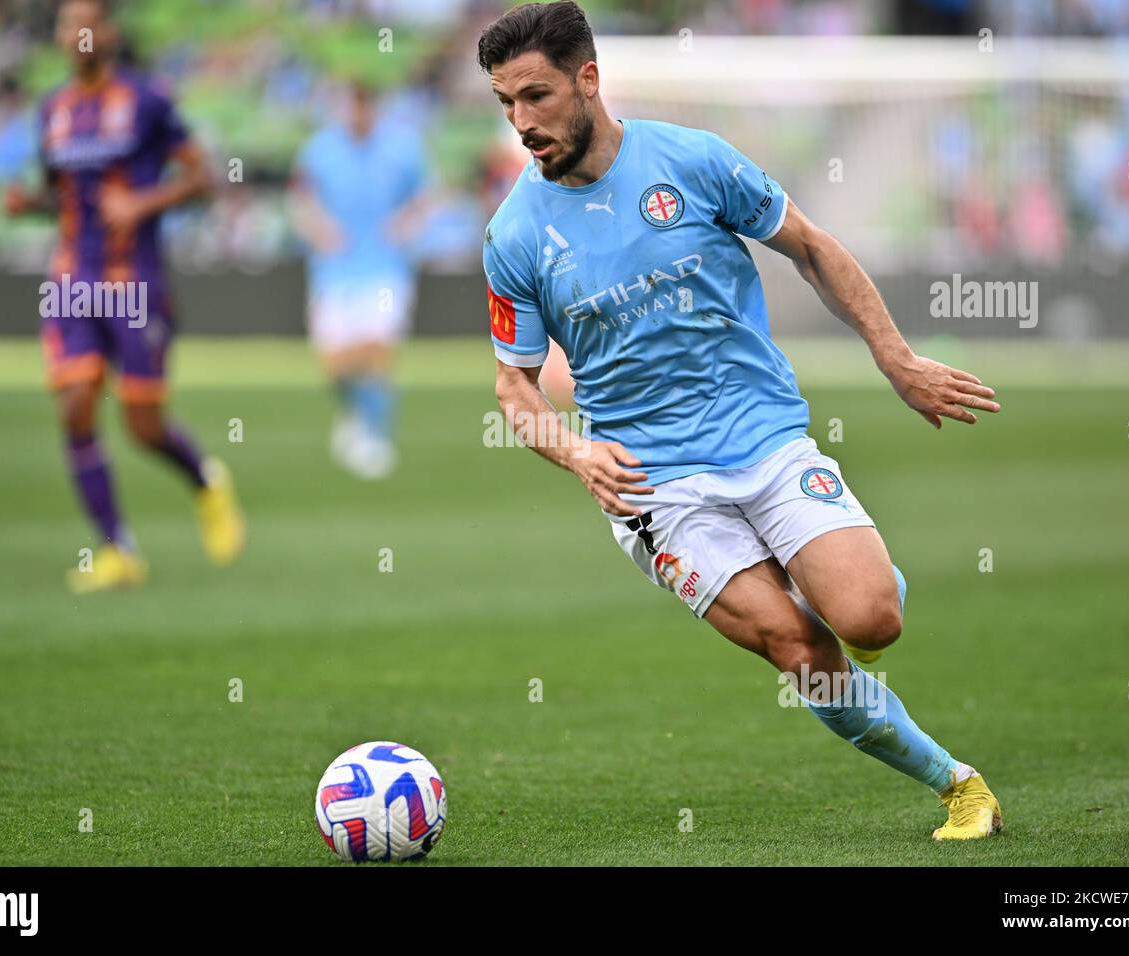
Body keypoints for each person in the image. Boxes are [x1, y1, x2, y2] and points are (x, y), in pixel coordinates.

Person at [479, 1, 1004, 840]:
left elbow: (813, 247)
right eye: (506, 102)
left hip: (763, 436)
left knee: (872, 619)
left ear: (589, 79)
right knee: (800, 650)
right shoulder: (514, 234)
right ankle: (958, 785)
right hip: (654, 486)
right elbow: (514, 386)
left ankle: (833, 585)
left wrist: (896, 358)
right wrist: (578, 455)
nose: (521, 122)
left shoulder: (691, 161)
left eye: (535, 96)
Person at [4, 0, 245, 592]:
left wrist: (143, 203)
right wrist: (30, 204)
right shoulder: (53, 110)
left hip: (134, 282)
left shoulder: (147, 101)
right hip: (71, 282)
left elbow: (203, 179)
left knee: (143, 425)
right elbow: (65, 198)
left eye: (89, 24)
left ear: (109, 33)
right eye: (68, 25)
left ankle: (205, 482)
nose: (78, 34)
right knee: (76, 403)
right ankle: (117, 549)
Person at [291, 82, 432, 480]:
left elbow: (426, 195)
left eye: (363, 105)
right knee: (335, 364)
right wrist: (317, 229)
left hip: (385, 267)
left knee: (376, 350)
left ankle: (375, 435)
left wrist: (406, 224)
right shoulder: (319, 150)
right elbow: (300, 201)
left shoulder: (402, 148)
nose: (356, 112)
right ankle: (355, 412)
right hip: (334, 270)